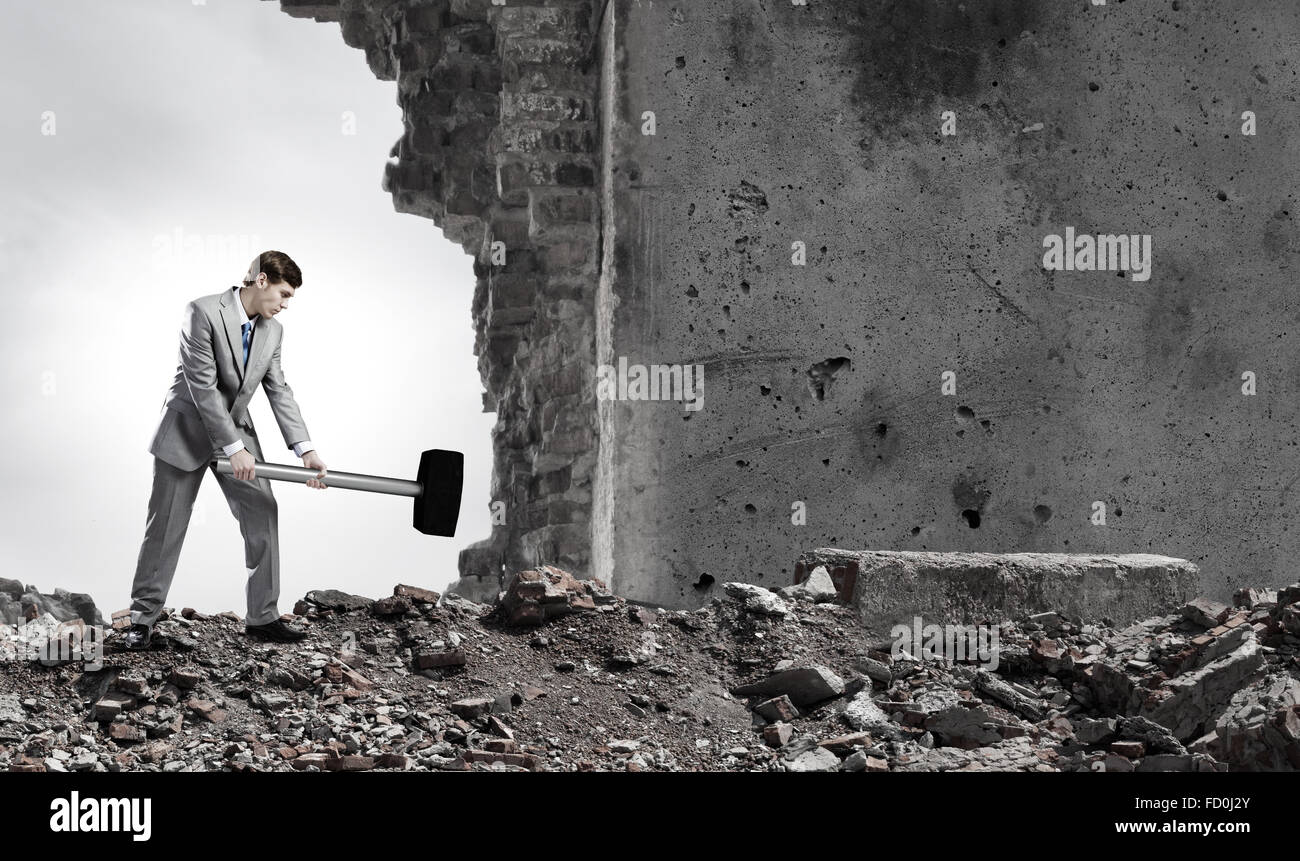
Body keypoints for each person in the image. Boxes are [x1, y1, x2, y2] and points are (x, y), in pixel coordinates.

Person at [121, 251, 328, 649]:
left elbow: (278, 389)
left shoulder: (274, 331)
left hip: (237, 429)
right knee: (165, 527)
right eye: (283, 295)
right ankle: (141, 621)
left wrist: (306, 450)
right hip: (186, 428)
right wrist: (233, 447)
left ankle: (263, 617)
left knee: (263, 510)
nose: (285, 305)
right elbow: (202, 385)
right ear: (261, 280)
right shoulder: (202, 311)